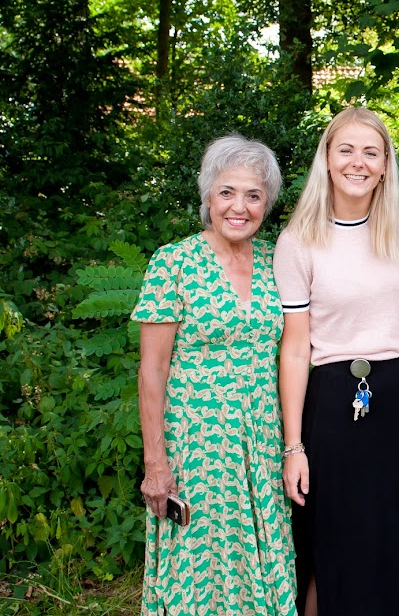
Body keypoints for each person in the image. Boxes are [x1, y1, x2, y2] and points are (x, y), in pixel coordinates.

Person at [273, 107, 399, 616]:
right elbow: (295, 347)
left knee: (396, 531)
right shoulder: (297, 240)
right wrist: (294, 446)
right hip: (331, 405)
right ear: (326, 158)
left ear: (386, 164)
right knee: (337, 538)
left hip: (398, 395)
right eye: (345, 149)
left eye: (372, 152)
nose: (358, 162)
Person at [133, 135, 296, 615]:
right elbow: (152, 371)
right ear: (207, 196)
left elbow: (307, 335)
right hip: (197, 444)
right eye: (227, 192)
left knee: (260, 556)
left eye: (253, 195)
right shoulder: (173, 263)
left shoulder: (276, 260)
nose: (239, 207)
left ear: (267, 202)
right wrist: (156, 463)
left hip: (263, 440)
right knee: (201, 561)